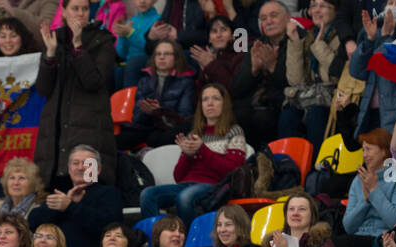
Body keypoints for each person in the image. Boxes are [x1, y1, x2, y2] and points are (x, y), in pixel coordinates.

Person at [35, 0, 117, 189]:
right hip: (55, 138)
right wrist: (49, 54)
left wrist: (78, 46)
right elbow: (43, 90)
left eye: (85, 9)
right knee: (55, 197)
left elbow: (94, 81)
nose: (80, 13)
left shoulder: (103, 40)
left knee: (90, 195)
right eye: (75, 8)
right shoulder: (54, 39)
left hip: (91, 132)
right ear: (63, 12)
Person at [140, 83, 245, 223]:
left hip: (215, 187)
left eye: (216, 99)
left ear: (224, 104)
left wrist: (202, 150)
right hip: (187, 185)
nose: (210, 103)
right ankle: (157, 240)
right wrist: (187, 156)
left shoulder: (234, 131)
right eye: (205, 99)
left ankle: (188, 241)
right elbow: (178, 177)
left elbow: (233, 172)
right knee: (147, 194)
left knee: (185, 197)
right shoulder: (194, 134)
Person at [28, 147, 124, 247]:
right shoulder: (61, 194)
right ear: (69, 169)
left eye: (87, 164)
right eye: (75, 163)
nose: (80, 167)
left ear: (98, 170)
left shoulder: (109, 193)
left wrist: (70, 206)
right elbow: (32, 222)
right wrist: (63, 206)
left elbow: (109, 225)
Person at [230, 1, 292, 147]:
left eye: (273, 16)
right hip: (252, 104)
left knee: (262, 118)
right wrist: (253, 70)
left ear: (288, 17)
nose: (268, 21)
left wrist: (272, 68)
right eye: (263, 18)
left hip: (281, 103)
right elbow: (236, 89)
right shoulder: (256, 45)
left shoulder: (297, 41)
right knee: (235, 114)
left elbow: (296, 84)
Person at [116, 38, 196, 151]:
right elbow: (136, 117)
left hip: (169, 129)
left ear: (177, 58)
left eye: (167, 54)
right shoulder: (145, 81)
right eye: (158, 54)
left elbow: (184, 116)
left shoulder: (186, 82)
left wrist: (160, 112)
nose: (161, 57)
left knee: (157, 138)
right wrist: (147, 112)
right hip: (146, 128)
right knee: (114, 140)